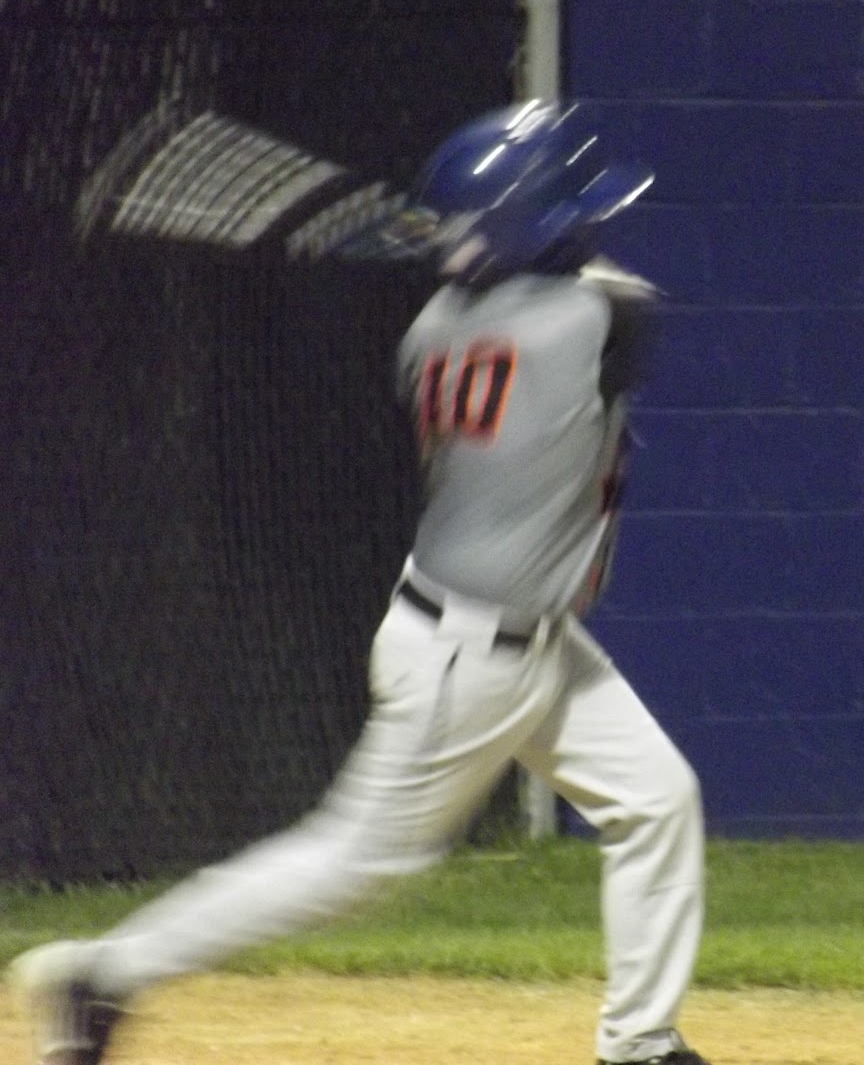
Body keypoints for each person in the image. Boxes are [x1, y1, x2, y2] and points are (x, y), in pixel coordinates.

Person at [9, 102, 711, 1065]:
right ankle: (105, 974)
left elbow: (537, 284)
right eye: (567, 214)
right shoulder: (596, 319)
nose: (589, 226)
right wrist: (494, 238)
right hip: (470, 660)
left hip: (519, 637)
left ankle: (639, 1046)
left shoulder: (425, 335)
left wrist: (481, 241)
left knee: (657, 799)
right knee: (355, 858)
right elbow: (624, 297)